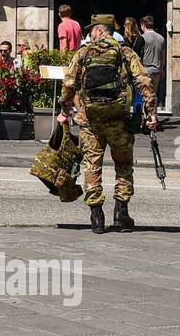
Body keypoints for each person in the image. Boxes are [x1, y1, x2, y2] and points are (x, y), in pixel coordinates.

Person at [58, 14, 158, 235]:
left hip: (90, 121)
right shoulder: (125, 52)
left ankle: (96, 216)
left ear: (100, 30)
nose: (91, 33)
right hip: (118, 120)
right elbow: (144, 81)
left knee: (92, 167)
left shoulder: (83, 53)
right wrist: (151, 113)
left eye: (92, 29)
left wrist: (64, 112)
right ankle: (121, 212)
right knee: (123, 166)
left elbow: (69, 84)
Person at [140, 15, 165, 104]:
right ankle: (153, 115)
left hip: (145, 70)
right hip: (156, 71)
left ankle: (147, 116)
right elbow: (163, 56)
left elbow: (138, 55)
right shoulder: (161, 38)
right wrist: (161, 69)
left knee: (145, 95)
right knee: (153, 94)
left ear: (143, 25)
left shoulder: (142, 38)